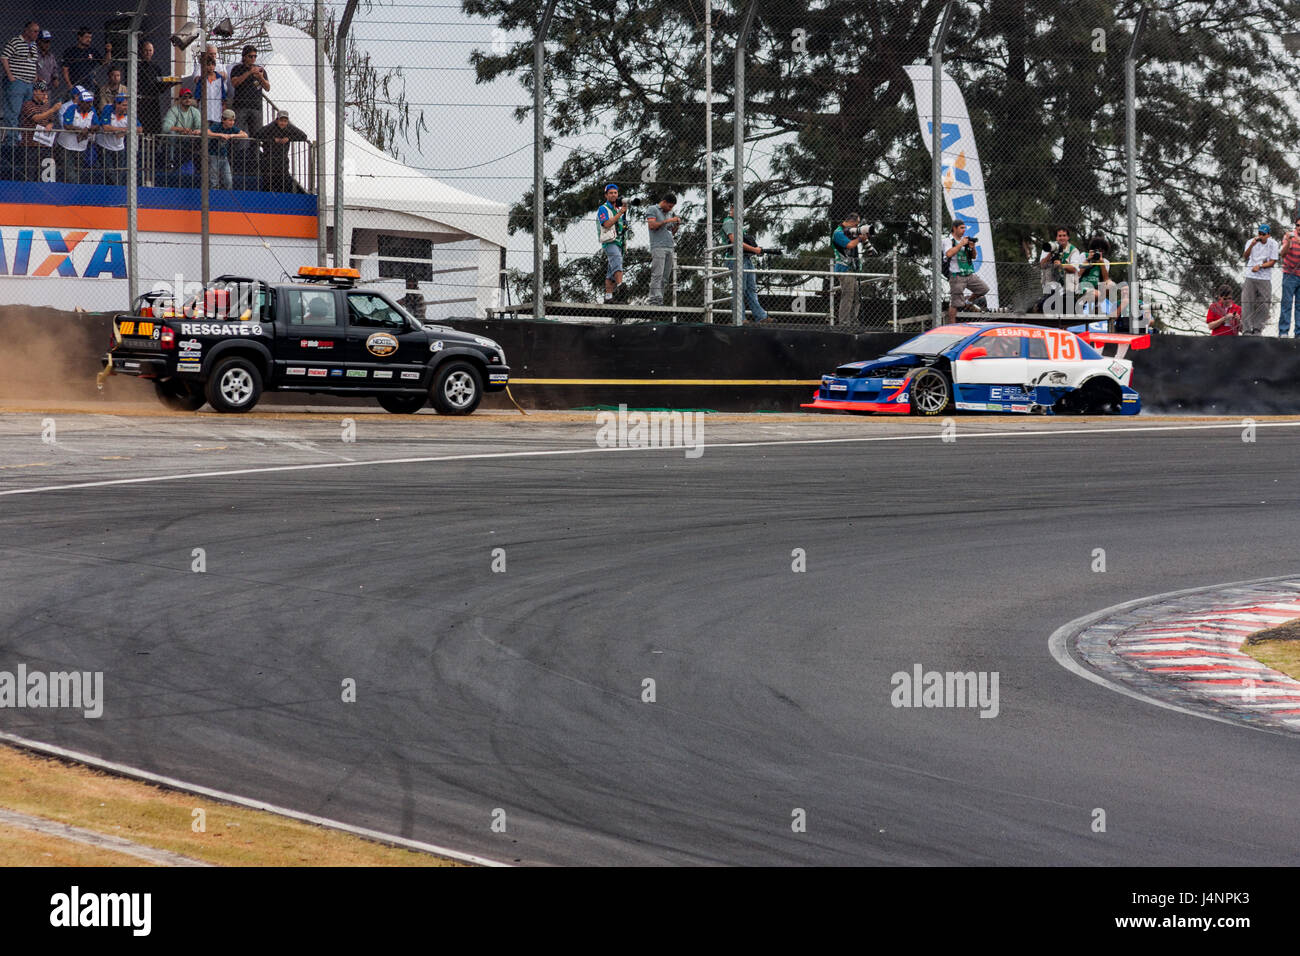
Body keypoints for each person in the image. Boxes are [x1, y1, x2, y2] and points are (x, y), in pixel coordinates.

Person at [721, 202, 768, 323]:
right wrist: (754, 250)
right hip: (734, 258)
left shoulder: (739, 225)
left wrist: (755, 249)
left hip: (745, 258)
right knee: (739, 288)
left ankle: (761, 316)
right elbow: (734, 241)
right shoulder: (729, 222)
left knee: (751, 289)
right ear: (731, 209)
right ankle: (739, 318)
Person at [943, 218, 989, 320]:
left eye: (964, 228)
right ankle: (951, 327)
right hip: (957, 276)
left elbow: (973, 257)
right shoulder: (947, 240)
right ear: (954, 228)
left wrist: (972, 247)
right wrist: (961, 244)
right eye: (961, 228)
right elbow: (949, 253)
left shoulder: (965, 240)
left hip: (969, 274)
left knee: (984, 289)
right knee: (955, 304)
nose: (964, 230)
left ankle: (969, 301)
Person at [2, 21, 39, 145]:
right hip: (17, 82)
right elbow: (4, 57)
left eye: (38, 31)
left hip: (29, 84)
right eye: (34, 31)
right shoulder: (15, 42)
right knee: (13, 112)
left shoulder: (33, 46)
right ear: (27, 31)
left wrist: (34, 77)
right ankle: (10, 143)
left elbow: (33, 62)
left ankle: (21, 140)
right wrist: (11, 76)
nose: (36, 34)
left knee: (25, 113)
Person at [253, 108, 306, 191]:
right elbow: (257, 135)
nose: (283, 123)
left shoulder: (289, 128)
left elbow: (303, 136)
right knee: (268, 183)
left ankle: (286, 198)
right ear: (277, 120)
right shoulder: (270, 127)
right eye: (281, 120)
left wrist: (289, 138)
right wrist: (273, 139)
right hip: (268, 160)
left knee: (286, 183)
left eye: (285, 121)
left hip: (282, 160)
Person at [832, 211, 869, 325]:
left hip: (853, 268)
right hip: (844, 268)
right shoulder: (838, 233)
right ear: (851, 222)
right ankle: (844, 322)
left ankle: (853, 320)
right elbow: (850, 245)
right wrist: (859, 239)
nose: (857, 226)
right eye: (856, 223)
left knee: (856, 296)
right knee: (848, 295)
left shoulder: (850, 232)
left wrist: (863, 236)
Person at [1241, 223, 1278, 336]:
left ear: (1268, 235)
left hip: (1264, 278)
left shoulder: (1273, 244)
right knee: (1247, 302)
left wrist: (1261, 266)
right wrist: (1252, 245)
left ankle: (1257, 329)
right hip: (1251, 276)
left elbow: (1273, 261)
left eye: (1263, 234)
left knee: (1264, 304)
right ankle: (1246, 330)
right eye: (1259, 233)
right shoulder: (1251, 241)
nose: (1260, 236)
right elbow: (1245, 256)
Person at [1036, 226, 1082, 314]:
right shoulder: (1050, 246)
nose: (1062, 238)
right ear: (1056, 237)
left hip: (1067, 286)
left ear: (1068, 237)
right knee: (1050, 308)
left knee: (1069, 311)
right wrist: (1050, 253)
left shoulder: (1074, 250)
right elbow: (1042, 265)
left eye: (1064, 235)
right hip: (1051, 284)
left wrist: (1061, 265)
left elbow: (1073, 269)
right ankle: (1039, 306)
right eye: (1059, 236)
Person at [18, 80, 58, 180]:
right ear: (35, 92)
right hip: (30, 144)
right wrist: (53, 109)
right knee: (29, 172)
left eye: (45, 91)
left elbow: (51, 120)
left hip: (44, 143)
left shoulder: (46, 105)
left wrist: (50, 124)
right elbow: (36, 118)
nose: (44, 94)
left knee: (45, 174)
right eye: (42, 91)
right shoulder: (28, 104)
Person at [57, 89, 99, 184]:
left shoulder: (92, 110)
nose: (89, 105)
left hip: (81, 147)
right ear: (80, 102)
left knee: (78, 171)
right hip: (66, 147)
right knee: (70, 173)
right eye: (87, 103)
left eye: (90, 102)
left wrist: (87, 129)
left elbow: (97, 125)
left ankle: (71, 190)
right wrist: (80, 130)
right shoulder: (72, 108)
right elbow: (66, 125)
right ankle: (75, 189)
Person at [645, 193, 680, 305]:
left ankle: (659, 299)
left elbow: (671, 231)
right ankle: (653, 299)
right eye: (670, 206)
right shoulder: (652, 209)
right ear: (664, 202)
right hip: (658, 246)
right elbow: (652, 225)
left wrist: (677, 225)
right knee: (657, 274)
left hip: (670, 246)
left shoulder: (669, 213)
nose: (671, 209)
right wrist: (667, 221)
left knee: (665, 277)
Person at [596, 182, 628, 303]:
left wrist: (622, 212)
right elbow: (607, 224)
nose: (614, 195)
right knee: (617, 262)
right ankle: (620, 286)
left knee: (611, 272)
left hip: (619, 242)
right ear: (606, 195)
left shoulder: (618, 209)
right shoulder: (603, 208)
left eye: (615, 193)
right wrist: (620, 213)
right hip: (610, 241)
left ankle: (608, 297)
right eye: (611, 193)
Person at [162, 88, 202, 184]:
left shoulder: (195, 111)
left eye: (190, 97)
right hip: (177, 139)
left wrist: (195, 131)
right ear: (180, 99)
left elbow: (200, 126)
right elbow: (165, 127)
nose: (187, 99)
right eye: (184, 97)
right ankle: (170, 163)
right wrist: (181, 130)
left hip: (190, 139)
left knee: (203, 136)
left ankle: (201, 165)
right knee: (171, 134)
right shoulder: (174, 110)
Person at [96, 94, 137, 185]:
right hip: (105, 146)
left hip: (119, 147)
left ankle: (116, 190)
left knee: (120, 172)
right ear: (117, 105)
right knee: (109, 171)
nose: (126, 108)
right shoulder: (108, 109)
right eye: (124, 105)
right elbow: (105, 127)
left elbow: (139, 128)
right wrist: (121, 130)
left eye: (127, 105)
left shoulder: (129, 113)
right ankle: (116, 188)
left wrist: (124, 132)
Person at [61, 27, 109, 95]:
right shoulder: (70, 51)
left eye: (90, 37)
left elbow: (105, 63)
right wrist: (70, 85)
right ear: (79, 37)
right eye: (86, 37)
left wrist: (108, 51)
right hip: (75, 87)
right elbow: (65, 70)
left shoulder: (93, 51)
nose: (89, 40)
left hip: (89, 87)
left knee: (88, 105)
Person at [207, 108, 247, 190]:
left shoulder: (232, 128)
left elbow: (245, 135)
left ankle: (227, 197)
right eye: (229, 120)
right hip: (213, 156)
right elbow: (207, 132)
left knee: (228, 180)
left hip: (224, 157)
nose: (232, 122)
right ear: (223, 120)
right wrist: (220, 135)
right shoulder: (217, 126)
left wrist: (232, 135)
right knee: (214, 180)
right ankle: (214, 196)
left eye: (233, 120)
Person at [191, 50, 230, 125]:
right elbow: (198, 92)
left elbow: (223, 92)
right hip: (205, 105)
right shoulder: (202, 79)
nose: (211, 67)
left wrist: (224, 103)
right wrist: (197, 100)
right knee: (205, 124)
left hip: (217, 105)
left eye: (213, 64)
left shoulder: (219, 78)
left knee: (216, 124)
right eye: (208, 65)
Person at [1077, 234, 1111, 313]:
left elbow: (1105, 279)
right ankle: (1080, 303)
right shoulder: (1084, 256)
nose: (1099, 253)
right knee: (1096, 294)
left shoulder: (1105, 262)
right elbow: (1078, 274)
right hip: (1081, 285)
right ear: (1092, 250)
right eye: (1097, 250)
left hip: (1095, 287)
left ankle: (1097, 305)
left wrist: (1101, 263)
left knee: (1110, 285)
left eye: (1101, 251)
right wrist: (1088, 260)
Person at [1278, 216, 1300, 338]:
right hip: (1289, 274)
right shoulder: (1289, 235)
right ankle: (1283, 331)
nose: (1299, 228)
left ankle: (1299, 333)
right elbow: (1282, 253)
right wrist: (1290, 242)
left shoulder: (1296, 237)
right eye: (1298, 225)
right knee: (1286, 303)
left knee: (1299, 306)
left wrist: (1297, 240)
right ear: (1295, 226)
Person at [34, 29, 58, 97]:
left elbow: (54, 69)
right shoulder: (34, 54)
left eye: (49, 42)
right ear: (38, 41)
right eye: (45, 42)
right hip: (35, 88)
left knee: (46, 106)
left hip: (47, 88)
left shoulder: (51, 56)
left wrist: (55, 78)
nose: (47, 44)